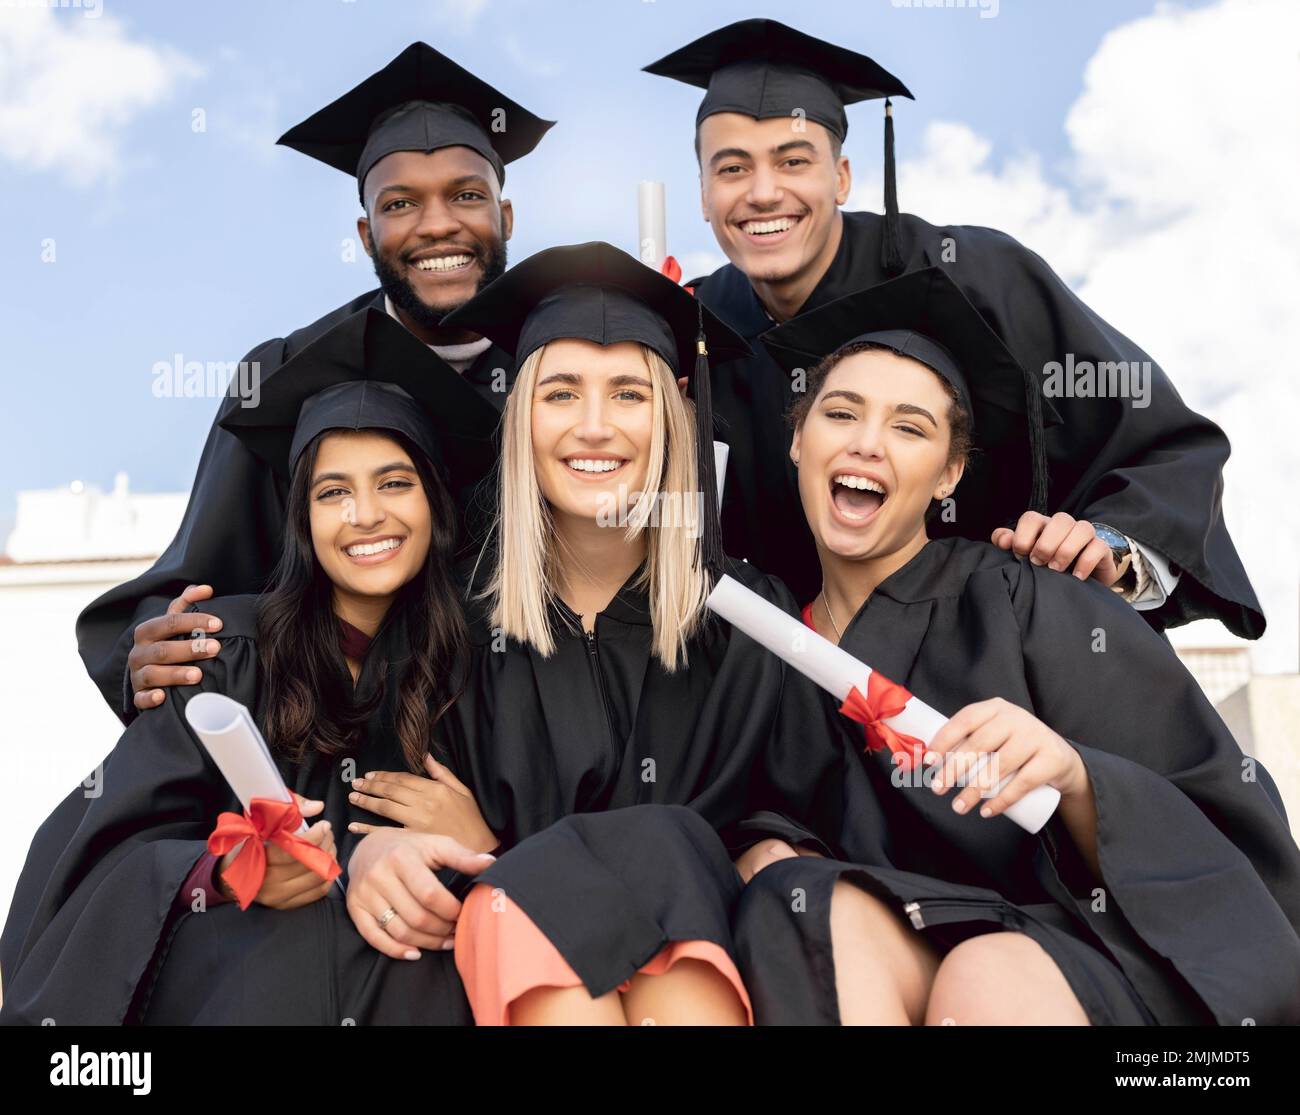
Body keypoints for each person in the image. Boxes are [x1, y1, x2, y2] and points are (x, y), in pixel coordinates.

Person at [729, 266, 1300, 1025]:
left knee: (984, 971)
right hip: (903, 940)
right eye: (841, 413)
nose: (868, 444)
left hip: (1083, 958)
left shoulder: (1031, 597)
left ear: (950, 473)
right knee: (802, 908)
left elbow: (1219, 812)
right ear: (798, 439)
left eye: (910, 426)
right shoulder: (761, 637)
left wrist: (1078, 778)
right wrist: (765, 847)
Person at [344, 242, 849, 1025]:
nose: (593, 427)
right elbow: (378, 814)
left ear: (677, 411)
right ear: (520, 415)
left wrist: (516, 848)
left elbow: (796, 830)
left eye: (627, 394)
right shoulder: (444, 621)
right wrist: (374, 856)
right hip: (512, 965)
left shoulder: (749, 621)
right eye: (560, 394)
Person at [644, 18, 1262, 637]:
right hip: (786, 695)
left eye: (794, 161)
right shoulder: (692, 329)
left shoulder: (979, 279)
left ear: (841, 177)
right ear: (702, 193)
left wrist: (1109, 547)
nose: (763, 192)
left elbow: (1160, 443)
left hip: (1002, 672)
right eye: (730, 169)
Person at [0, 309, 501, 1024]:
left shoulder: (483, 663)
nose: (365, 515)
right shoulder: (225, 651)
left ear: (435, 503)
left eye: (395, 483)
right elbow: (99, 859)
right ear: (300, 518)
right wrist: (229, 872)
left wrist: (482, 839)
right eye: (332, 492)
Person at [76, 41, 553, 720]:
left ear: (505, 217)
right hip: (332, 734)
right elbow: (203, 573)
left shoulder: (564, 373)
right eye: (400, 204)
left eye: (467, 194)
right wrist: (148, 648)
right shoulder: (288, 374)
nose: (438, 223)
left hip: (525, 736)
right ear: (366, 235)